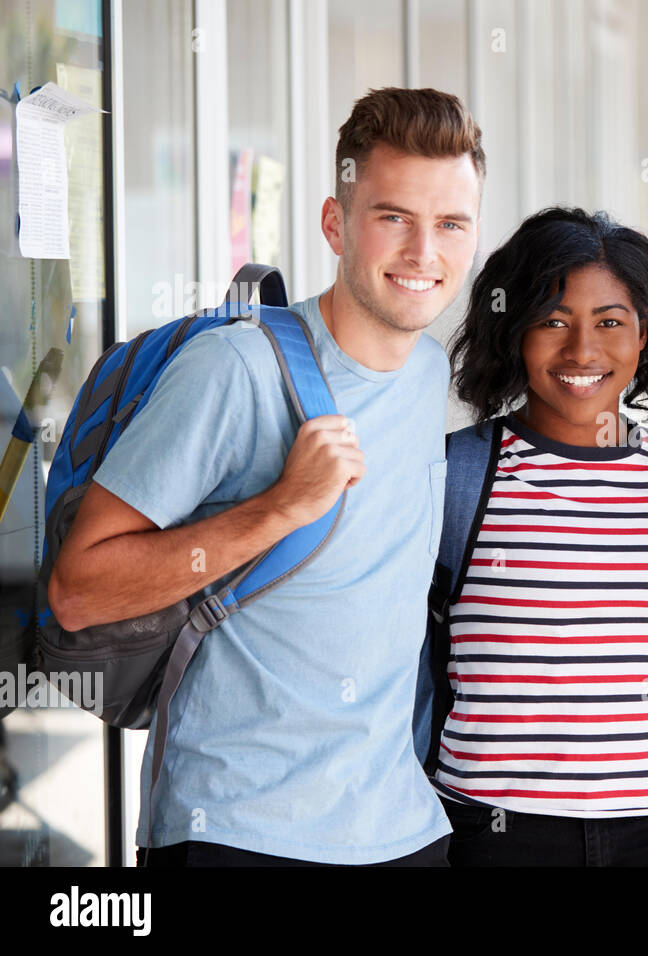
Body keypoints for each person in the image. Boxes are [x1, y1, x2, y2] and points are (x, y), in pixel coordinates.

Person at [46, 87, 484, 866]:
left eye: (450, 223)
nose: (425, 253)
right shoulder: (235, 370)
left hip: (400, 830)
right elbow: (79, 591)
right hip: (237, 829)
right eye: (393, 218)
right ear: (334, 223)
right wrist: (281, 506)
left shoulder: (426, 373)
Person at [427, 207, 648, 866]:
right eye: (552, 321)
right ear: (512, 334)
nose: (582, 351)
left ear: (645, 334)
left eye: (610, 322)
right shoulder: (455, 473)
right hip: (499, 833)